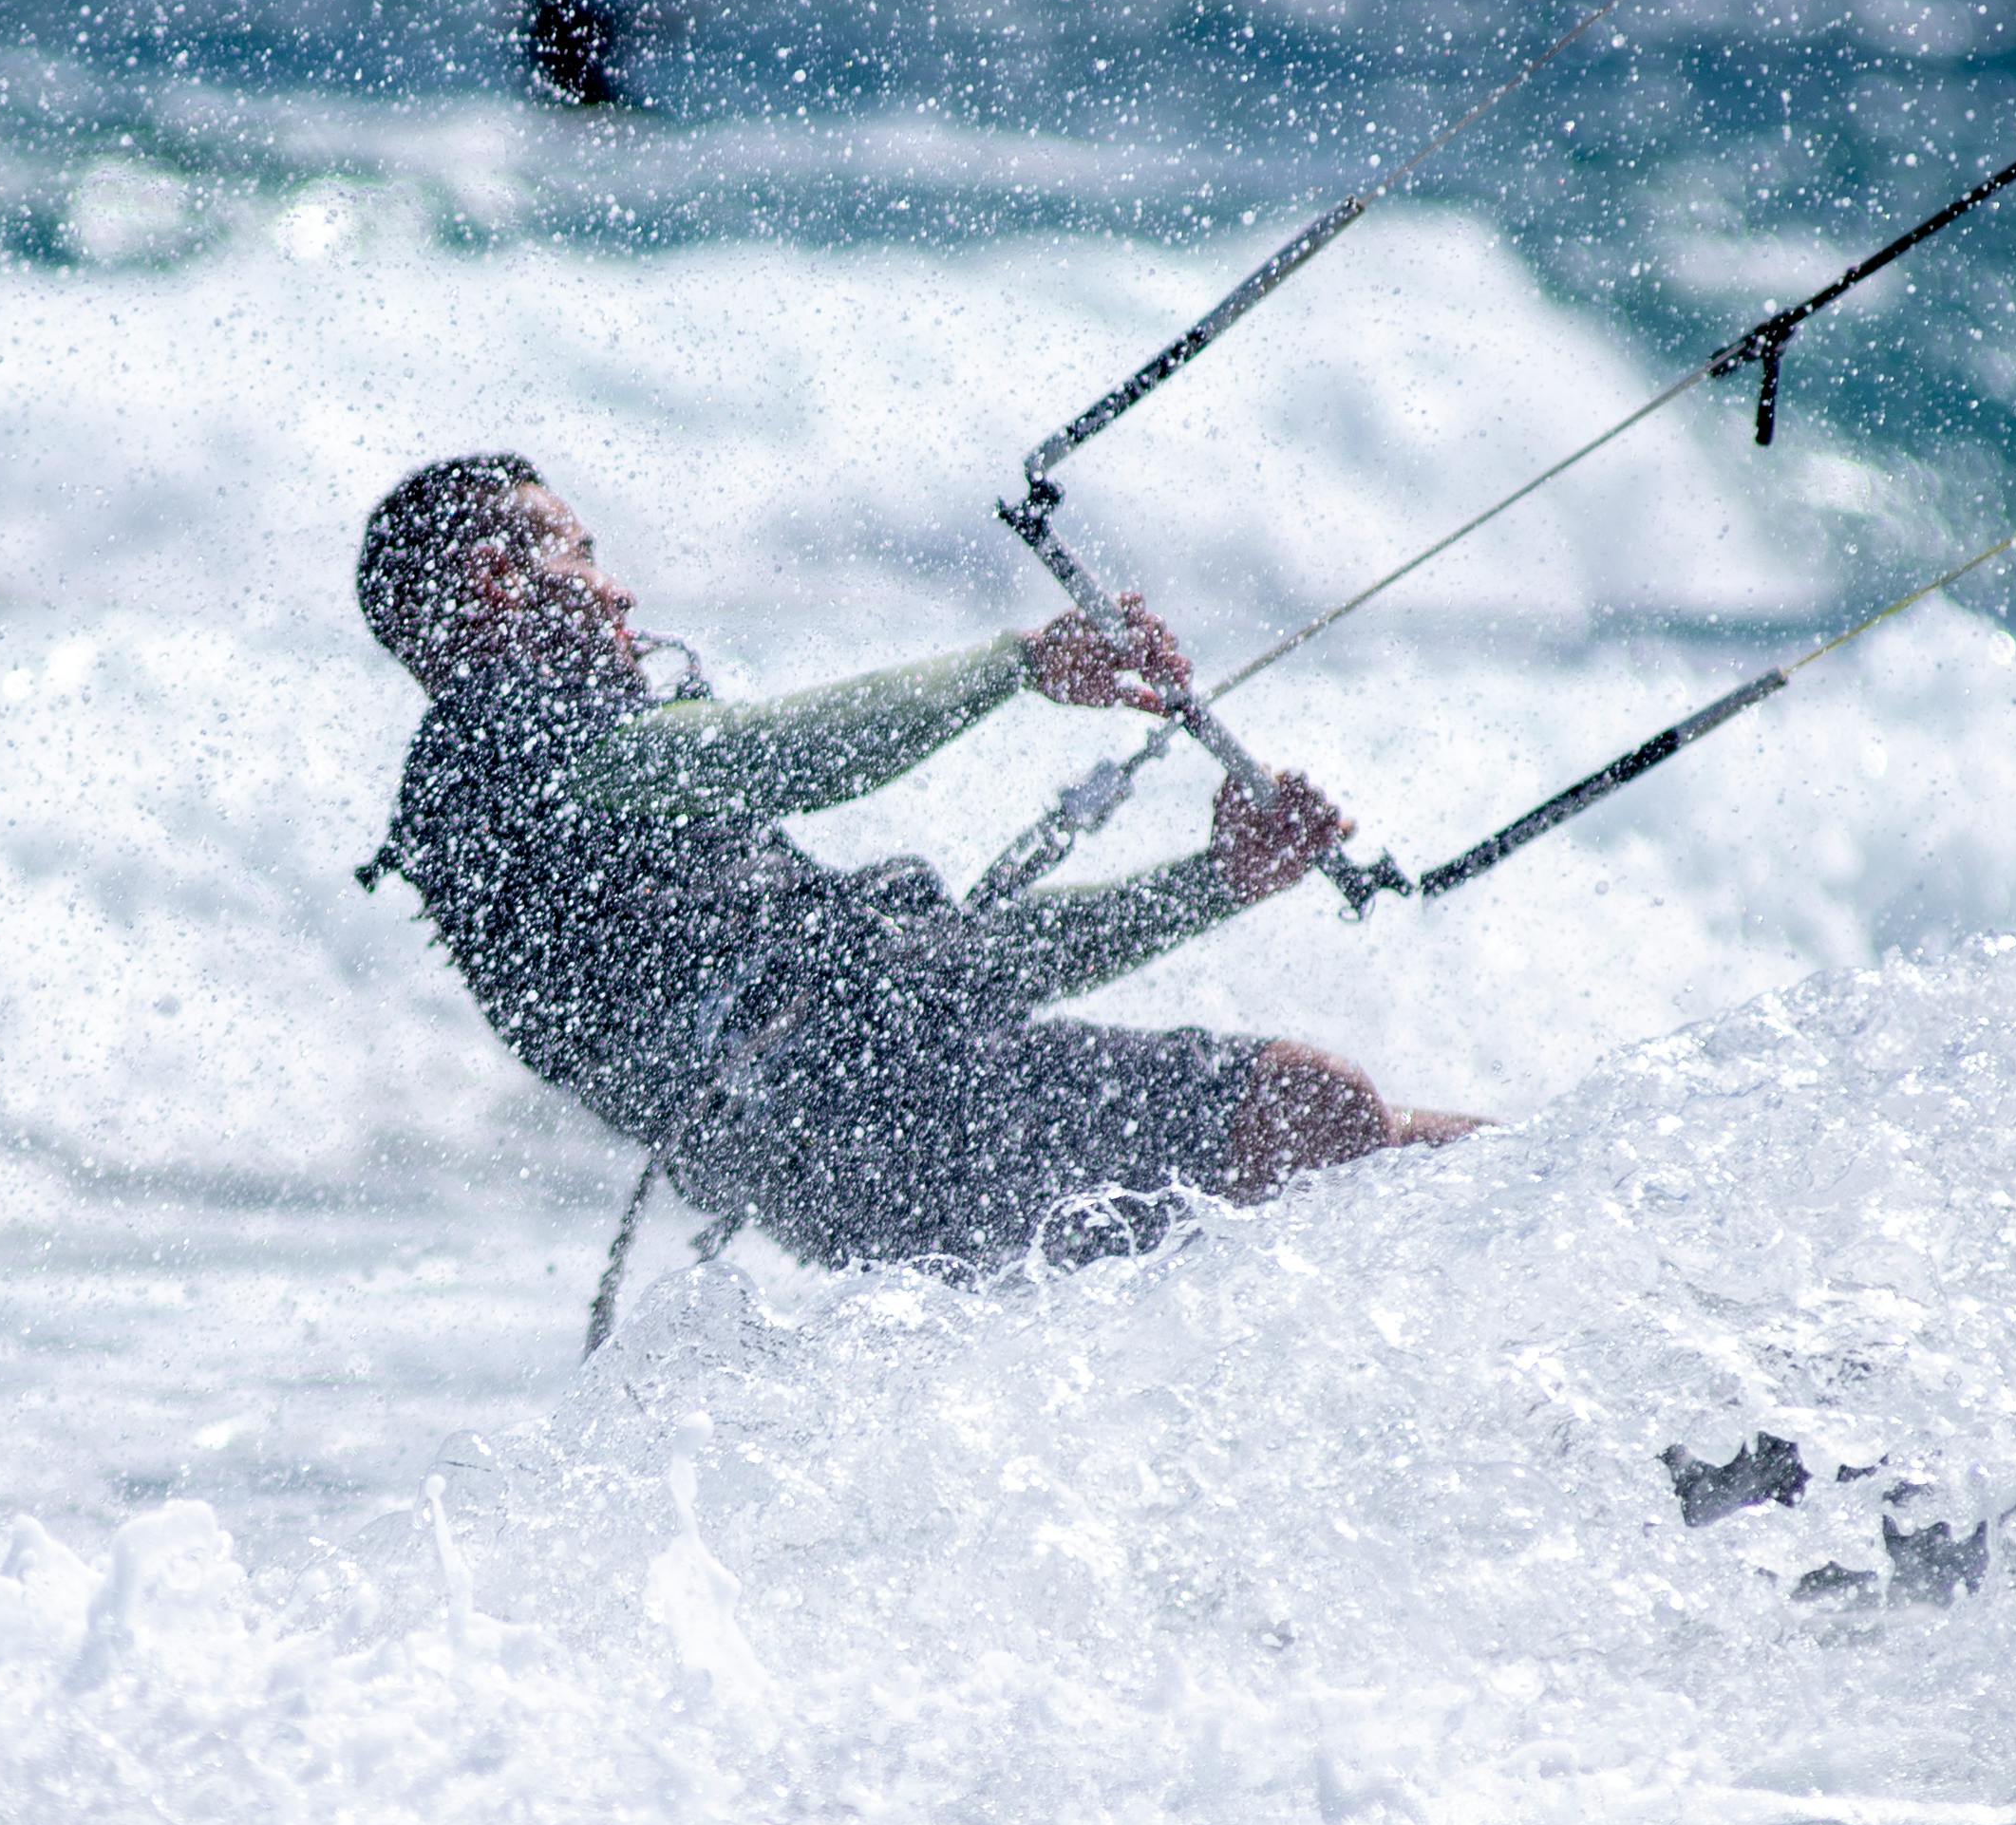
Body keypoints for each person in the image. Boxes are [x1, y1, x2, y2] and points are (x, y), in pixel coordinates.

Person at [351, 452, 1475, 1275]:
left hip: (865, 1168)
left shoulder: (593, 822)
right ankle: (1588, 1274)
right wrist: (1021, 663)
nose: (620, 590)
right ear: (497, 581)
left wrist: (1214, 880)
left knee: (1320, 1158)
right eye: (580, 552)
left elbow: (950, 965)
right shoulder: (506, 747)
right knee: (1308, 1110)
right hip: (906, 1127)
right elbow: (795, 755)